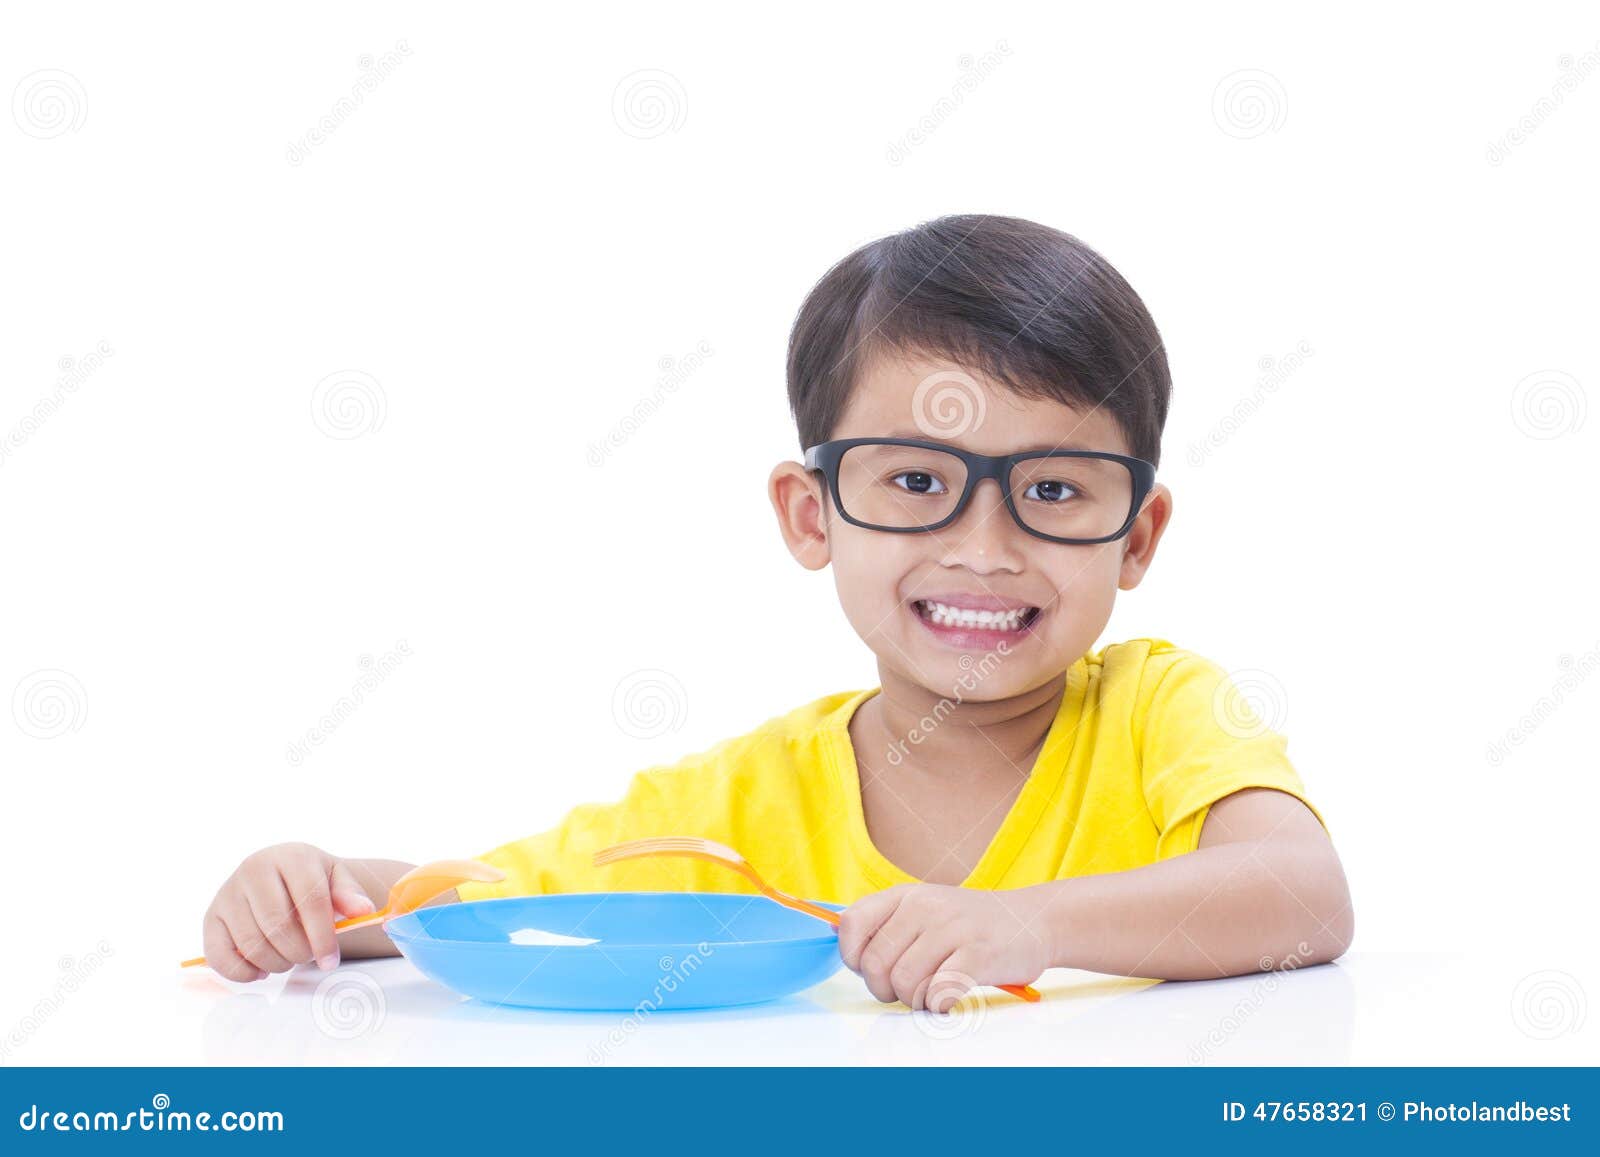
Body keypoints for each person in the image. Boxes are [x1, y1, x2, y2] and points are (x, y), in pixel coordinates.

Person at [200, 214, 1353, 1012]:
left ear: (1137, 536)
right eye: (913, 481)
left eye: (1053, 490)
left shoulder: (1161, 708)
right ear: (810, 516)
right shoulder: (741, 803)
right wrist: (318, 885)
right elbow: (501, 899)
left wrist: (1027, 928)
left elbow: (1302, 896)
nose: (983, 548)